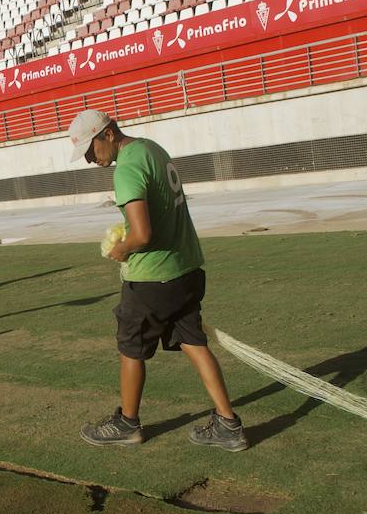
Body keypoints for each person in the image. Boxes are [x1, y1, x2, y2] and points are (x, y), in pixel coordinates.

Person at [68, 109, 248, 452]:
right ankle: (228, 425)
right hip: (186, 268)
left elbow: (143, 234)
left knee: (130, 346)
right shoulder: (152, 149)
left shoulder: (128, 168)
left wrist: (122, 249)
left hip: (153, 277)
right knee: (194, 341)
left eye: (91, 149)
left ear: (107, 133)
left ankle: (127, 423)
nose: (90, 159)